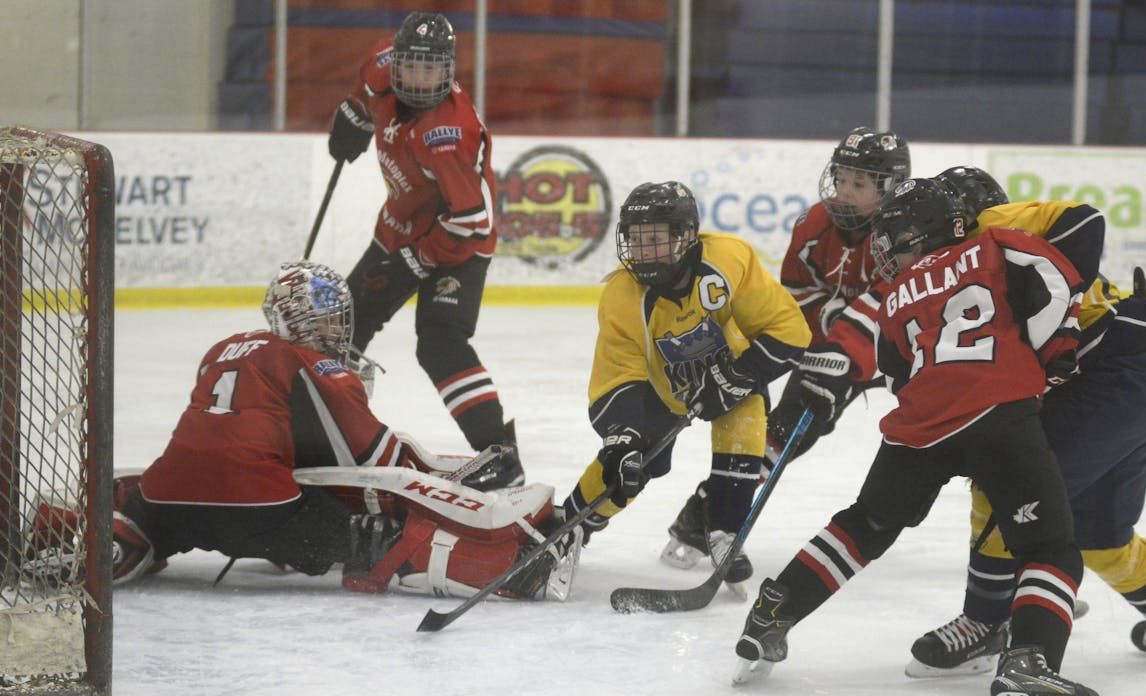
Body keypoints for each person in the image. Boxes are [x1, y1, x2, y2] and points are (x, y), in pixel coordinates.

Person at [733, 178, 1103, 696]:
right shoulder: (997, 243)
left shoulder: (897, 291)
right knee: (1050, 548)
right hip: (1000, 414)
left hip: (918, 426)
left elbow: (894, 367)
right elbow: (1055, 283)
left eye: (896, 241)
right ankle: (1029, 665)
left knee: (866, 523)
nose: (890, 254)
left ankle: (775, 609)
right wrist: (1053, 354)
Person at [86, 262, 578, 601]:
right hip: (260, 512)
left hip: (168, 499)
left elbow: (225, 440)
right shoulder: (315, 365)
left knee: (152, 505)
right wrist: (452, 484)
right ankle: (517, 570)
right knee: (370, 538)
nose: (338, 331)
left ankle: (112, 539)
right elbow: (376, 463)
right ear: (313, 321)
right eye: (333, 320)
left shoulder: (224, 348)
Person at [904, 166, 1146, 671]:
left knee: (1004, 483)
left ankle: (985, 622)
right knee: (1099, 534)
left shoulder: (990, 230)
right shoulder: (985, 263)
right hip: (1144, 382)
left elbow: (1084, 221)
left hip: (1104, 383)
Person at [661, 126, 910, 572]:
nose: (844, 192)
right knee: (791, 426)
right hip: (835, 345)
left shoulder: (905, 234)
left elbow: (894, 303)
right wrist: (829, 345)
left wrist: (844, 348)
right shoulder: (814, 224)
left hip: (910, 351)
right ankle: (706, 513)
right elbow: (795, 294)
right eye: (841, 179)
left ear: (889, 188)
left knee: (957, 432)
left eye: (859, 184)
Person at [562, 181, 811, 595]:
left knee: (745, 409)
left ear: (686, 236)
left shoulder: (729, 259)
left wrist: (738, 375)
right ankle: (569, 526)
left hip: (726, 369)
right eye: (635, 240)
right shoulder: (622, 295)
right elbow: (618, 375)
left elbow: (788, 329)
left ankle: (725, 529)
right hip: (659, 388)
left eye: (654, 240)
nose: (643, 252)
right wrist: (623, 437)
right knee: (631, 464)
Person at [326, 11, 521, 480]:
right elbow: (365, 91)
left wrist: (417, 260)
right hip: (398, 228)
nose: (418, 79)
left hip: (459, 246)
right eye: (411, 67)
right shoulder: (380, 64)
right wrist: (354, 112)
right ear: (396, 64)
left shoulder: (446, 136)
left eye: (430, 70)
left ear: (448, 72)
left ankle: (501, 456)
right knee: (340, 332)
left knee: (440, 343)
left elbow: (473, 220)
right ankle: (330, 434)